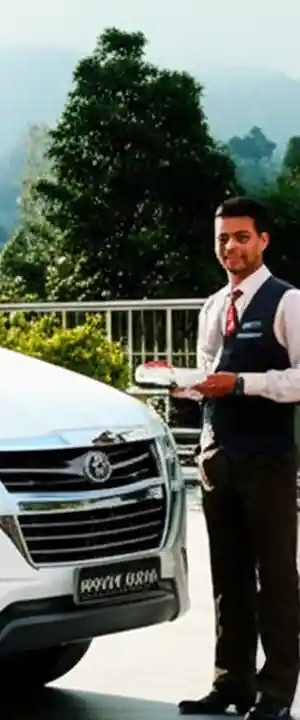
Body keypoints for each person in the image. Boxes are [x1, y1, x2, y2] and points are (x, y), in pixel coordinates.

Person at [178, 196, 300, 719]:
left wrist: (243, 383)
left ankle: (276, 693)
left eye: (241, 237)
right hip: (217, 459)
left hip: (268, 460)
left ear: (264, 240)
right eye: (223, 238)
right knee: (228, 579)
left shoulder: (288, 301)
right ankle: (231, 683)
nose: (231, 247)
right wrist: (184, 388)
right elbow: (211, 374)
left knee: (275, 580)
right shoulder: (212, 306)